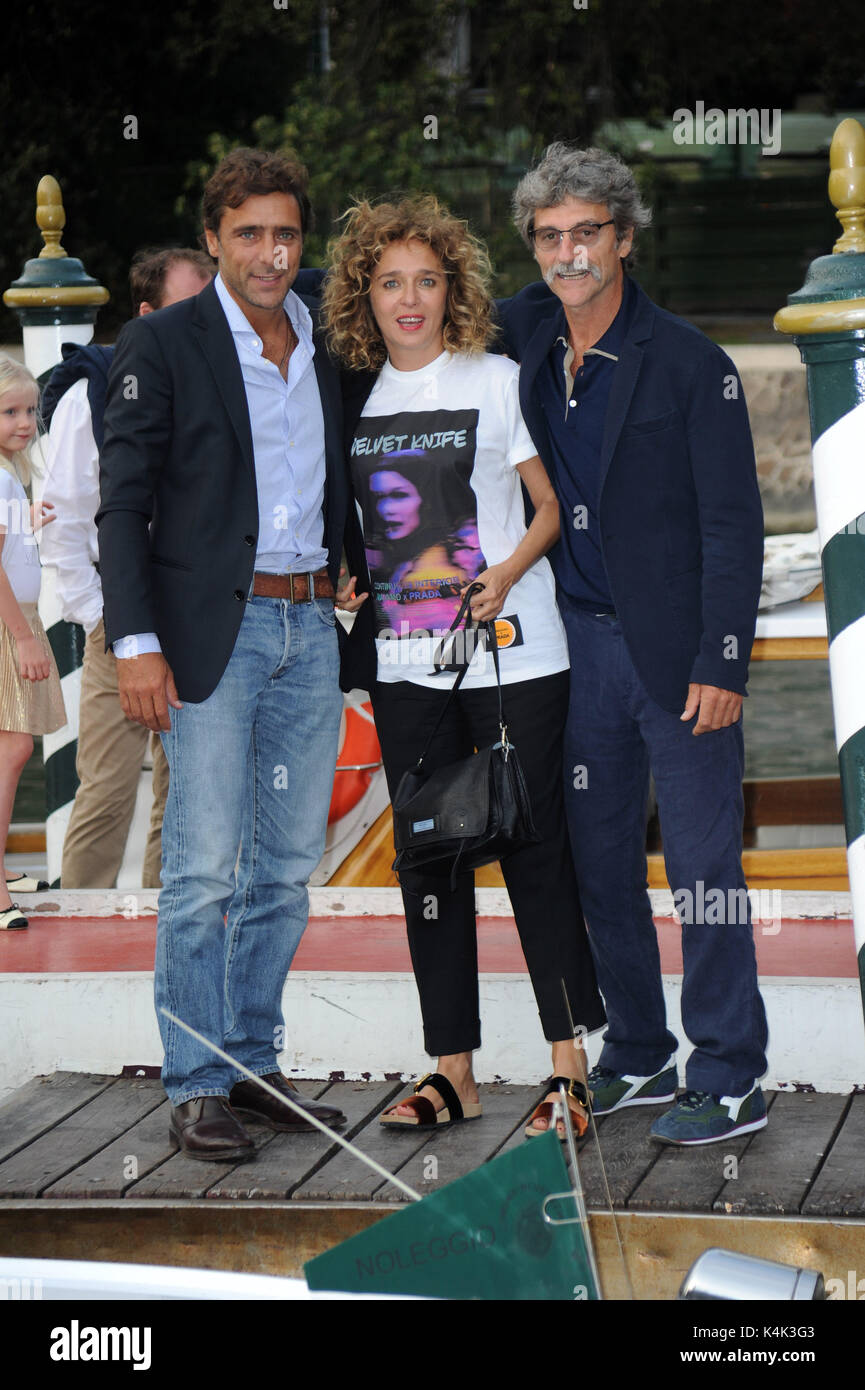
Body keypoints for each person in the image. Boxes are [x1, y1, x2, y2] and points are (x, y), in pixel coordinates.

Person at [97, 148, 370, 1161]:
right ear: (212, 238)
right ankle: (197, 1081)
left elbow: (348, 466)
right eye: (248, 232)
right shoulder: (161, 344)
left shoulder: (326, 338)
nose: (269, 252)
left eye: (286, 233)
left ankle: (253, 1066)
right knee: (204, 866)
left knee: (288, 867)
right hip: (210, 635)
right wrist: (135, 643)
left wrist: (350, 562)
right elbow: (122, 508)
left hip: (308, 631)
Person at [499, 143, 768, 1145]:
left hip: (679, 656)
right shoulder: (525, 341)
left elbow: (732, 525)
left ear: (622, 236)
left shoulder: (694, 363)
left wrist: (723, 659)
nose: (568, 253)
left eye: (585, 233)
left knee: (702, 869)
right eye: (550, 236)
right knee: (595, 862)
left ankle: (732, 1073)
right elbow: (393, 313)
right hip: (577, 654)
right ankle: (639, 1052)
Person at [322, 196, 605, 1137]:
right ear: (365, 294)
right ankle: (453, 1072)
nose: (410, 300)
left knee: (532, 847)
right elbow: (362, 536)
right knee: (428, 860)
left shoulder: (493, 379)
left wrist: (504, 575)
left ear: (454, 291)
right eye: (390, 282)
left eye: (427, 282)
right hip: (406, 662)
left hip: (514, 652)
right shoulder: (353, 400)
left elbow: (550, 509)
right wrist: (351, 590)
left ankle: (569, 1071)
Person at [40, 248, 214, 889]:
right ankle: (81, 938)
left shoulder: (224, 382)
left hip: (201, 613)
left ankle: (167, 930)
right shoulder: (94, 397)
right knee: (108, 789)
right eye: (191, 307)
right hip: (122, 613)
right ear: (146, 317)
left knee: (188, 795)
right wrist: (102, 620)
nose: (208, 321)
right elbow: (65, 524)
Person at [0, 356, 66, 929]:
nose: (25, 422)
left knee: (12, 750)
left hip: (13, 618)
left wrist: (25, 522)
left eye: (30, 410)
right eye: (9, 411)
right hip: (9, 623)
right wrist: (23, 637)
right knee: (12, 750)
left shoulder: (7, 475)